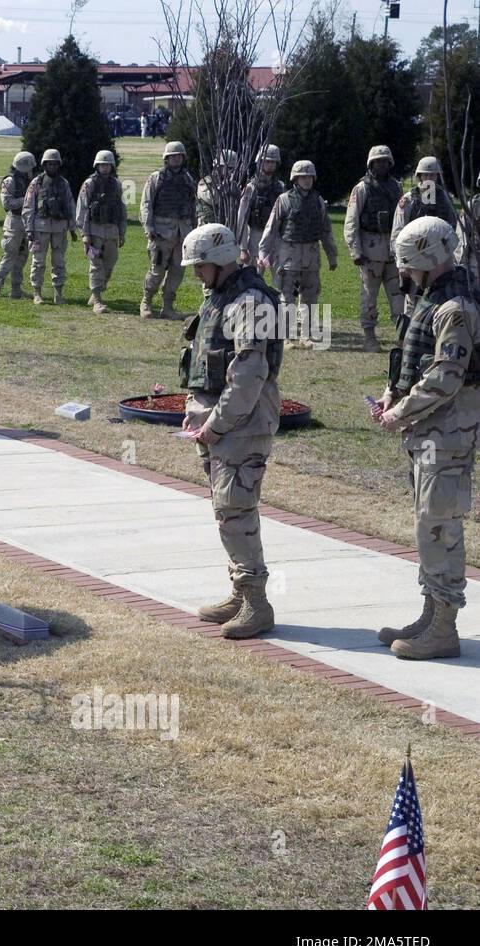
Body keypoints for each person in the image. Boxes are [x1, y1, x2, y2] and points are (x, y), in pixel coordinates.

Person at [373, 217, 480, 659]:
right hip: (430, 429)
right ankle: (430, 614)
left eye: (409, 263)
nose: (405, 272)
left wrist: (400, 411)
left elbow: (444, 378)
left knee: (440, 524)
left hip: (449, 429)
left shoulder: (455, 307)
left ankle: (444, 629)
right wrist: (390, 393)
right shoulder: (431, 299)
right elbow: (411, 360)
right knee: (427, 522)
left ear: (427, 256)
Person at [179, 223, 285, 639]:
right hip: (222, 423)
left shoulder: (251, 302)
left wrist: (215, 423)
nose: (195, 274)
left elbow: (248, 375)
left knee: (236, 510)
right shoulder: (222, 295)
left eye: (200, 266)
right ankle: (242, 593)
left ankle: (257, 603)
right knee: (228, 512)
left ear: (220, 262)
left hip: (242, 423)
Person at [258, 160, 338, 349]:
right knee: (287, 298)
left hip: (311, 256)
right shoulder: (284, 200)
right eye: (303, 177)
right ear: (295, 178)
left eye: (309, 176)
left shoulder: (318, 201)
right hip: (288, 256)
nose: (307, 180)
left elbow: (326, 231)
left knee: (310, 298)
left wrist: (332, 256)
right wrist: (263, 253)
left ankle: (306, 336)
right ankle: (287, 337)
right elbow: (271, 228)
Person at [344, 145, 404, 352]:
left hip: (394, 250)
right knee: (369, 296)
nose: (382, 164)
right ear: (371, 164)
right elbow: (351, 221)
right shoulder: (362, 188)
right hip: (370, 250)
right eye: (377, 161)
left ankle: (402, 336)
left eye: (385, 161)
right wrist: (356, 250)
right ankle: (369, 336)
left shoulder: (397, 188)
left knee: (399, 296)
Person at [392, 156, 460, 314]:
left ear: (438, 177)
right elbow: (397, 231)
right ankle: (408, 335)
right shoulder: (409, 199)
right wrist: (401, 262)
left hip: (439, 258)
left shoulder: (444, 199)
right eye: (426, 175)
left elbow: (453, 226)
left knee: (439, 298)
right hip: (414, 258)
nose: (429, 178)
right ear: (419, 176)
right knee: (412, 301)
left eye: (433, 175)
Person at [140, 141, 197, 319]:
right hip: (161, 232)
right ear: (166, 158)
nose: (176, 158)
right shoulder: (156, 178)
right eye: (173, 156)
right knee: (157, 270)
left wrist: (194, 229)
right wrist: (148, 227)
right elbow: (146, 204)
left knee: (177, 272)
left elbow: (193, 205)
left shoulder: (188, 179)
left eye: (179, 155)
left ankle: (167, 306)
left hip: (183, 232)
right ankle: (146, 302)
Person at [22, 148, 77, 306]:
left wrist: (72, 228)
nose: (52, 166)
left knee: (59, 262)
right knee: (38, 262)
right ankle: (37, 292)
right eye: (49, 164)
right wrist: (29, 230)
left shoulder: (63, 183)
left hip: (60, 228)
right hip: (40, 228)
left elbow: (70, 205)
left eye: (55, 164)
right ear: (44, 165)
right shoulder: (37, 182)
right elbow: (28, 207)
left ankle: (58, 293)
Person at [75, 149, 127, 314]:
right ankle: (97, 299)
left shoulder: (116, 184)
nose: (105, 168)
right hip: (94, 230)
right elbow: (82, 209)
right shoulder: (89, 184)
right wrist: (85, 234)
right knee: (96, 264)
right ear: (97, 166)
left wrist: (122, 232)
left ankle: (97, 290)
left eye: (108, 165)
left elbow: (121, 209)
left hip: (111, 230)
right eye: (102, 165)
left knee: (110, 262)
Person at [0, 151, 35, 300]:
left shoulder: (32, 180)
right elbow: (7, 203)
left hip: (27, 221)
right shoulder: (9, 181)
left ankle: (16, 288)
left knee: (22, 255)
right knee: (9, 254)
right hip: (14, 220)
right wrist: (27, 200)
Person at [235, 144, 283, 280]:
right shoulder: (250, 188)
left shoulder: (281, 187)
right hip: (255, 240)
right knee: (250, 284)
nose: (270, 165)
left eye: (273, 162)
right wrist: (243, 249)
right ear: (259, 162)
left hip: (276, 240)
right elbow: (242, 219)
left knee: (284, 284)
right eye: (267, 161)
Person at [195, 150, 238, 226]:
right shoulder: (206, 182)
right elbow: (212, 199)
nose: (231, 171)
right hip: (206, 225)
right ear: (218, 167)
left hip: (226, 225)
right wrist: (225, 186)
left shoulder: (232, 184)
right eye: (228, 168)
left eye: (232, 168)